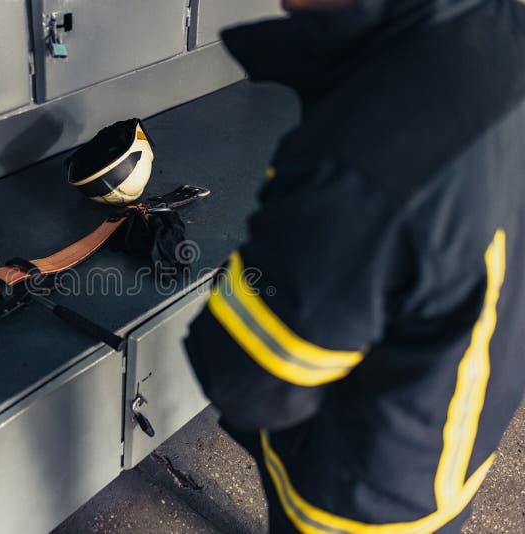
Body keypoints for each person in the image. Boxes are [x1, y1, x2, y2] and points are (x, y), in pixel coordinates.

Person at [183, 0, 525, 532]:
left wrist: (253, 270)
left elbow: (251, 379)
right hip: (456, 438)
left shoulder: (368, 155)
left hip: (365, 500)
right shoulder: (505, 28)